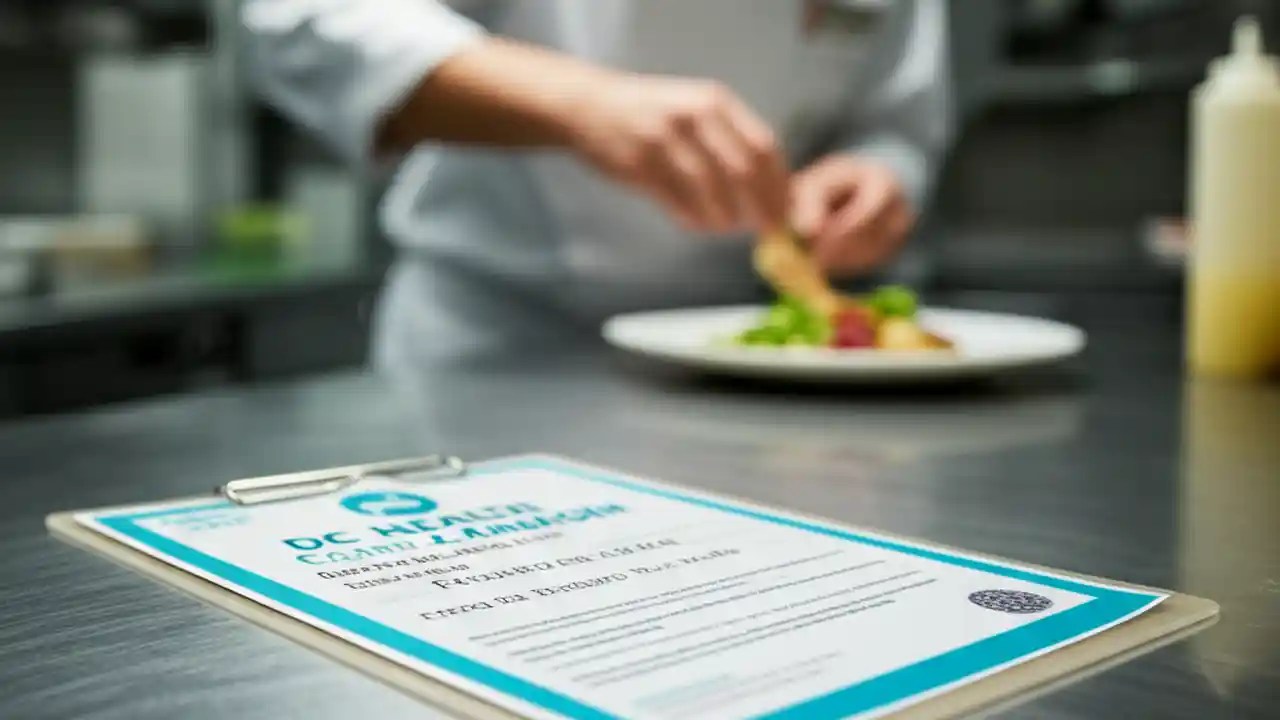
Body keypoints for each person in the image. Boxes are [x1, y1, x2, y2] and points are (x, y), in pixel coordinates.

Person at [241, 0, 950, 367]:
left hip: (747, 354)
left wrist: (879, 174)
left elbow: (896, 119)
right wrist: (580, 103)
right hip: (501, 346)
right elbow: (307, 20)